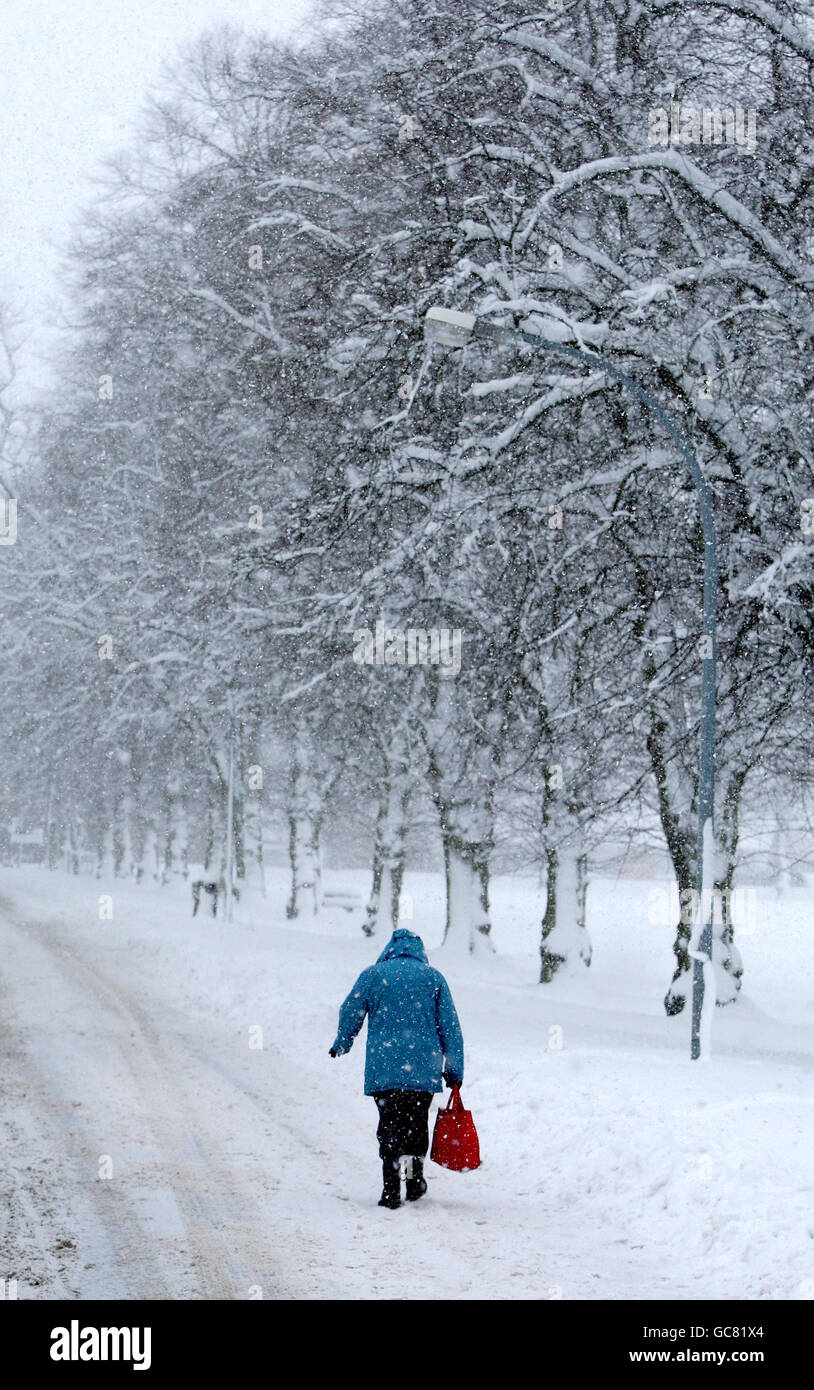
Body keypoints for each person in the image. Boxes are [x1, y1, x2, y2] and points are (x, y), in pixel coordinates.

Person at [329, 927, 464, 1209]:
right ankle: (413, 1181)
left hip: (385, 1067)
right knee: (416, 1125)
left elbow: (350, 1009)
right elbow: (450, 1027)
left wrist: (342, 1042)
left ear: (390, 948)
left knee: (389, 1124)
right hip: (422, 1069)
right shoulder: (433, 978)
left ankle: (390, 1189)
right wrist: (454, 1070)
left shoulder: (374, 975)